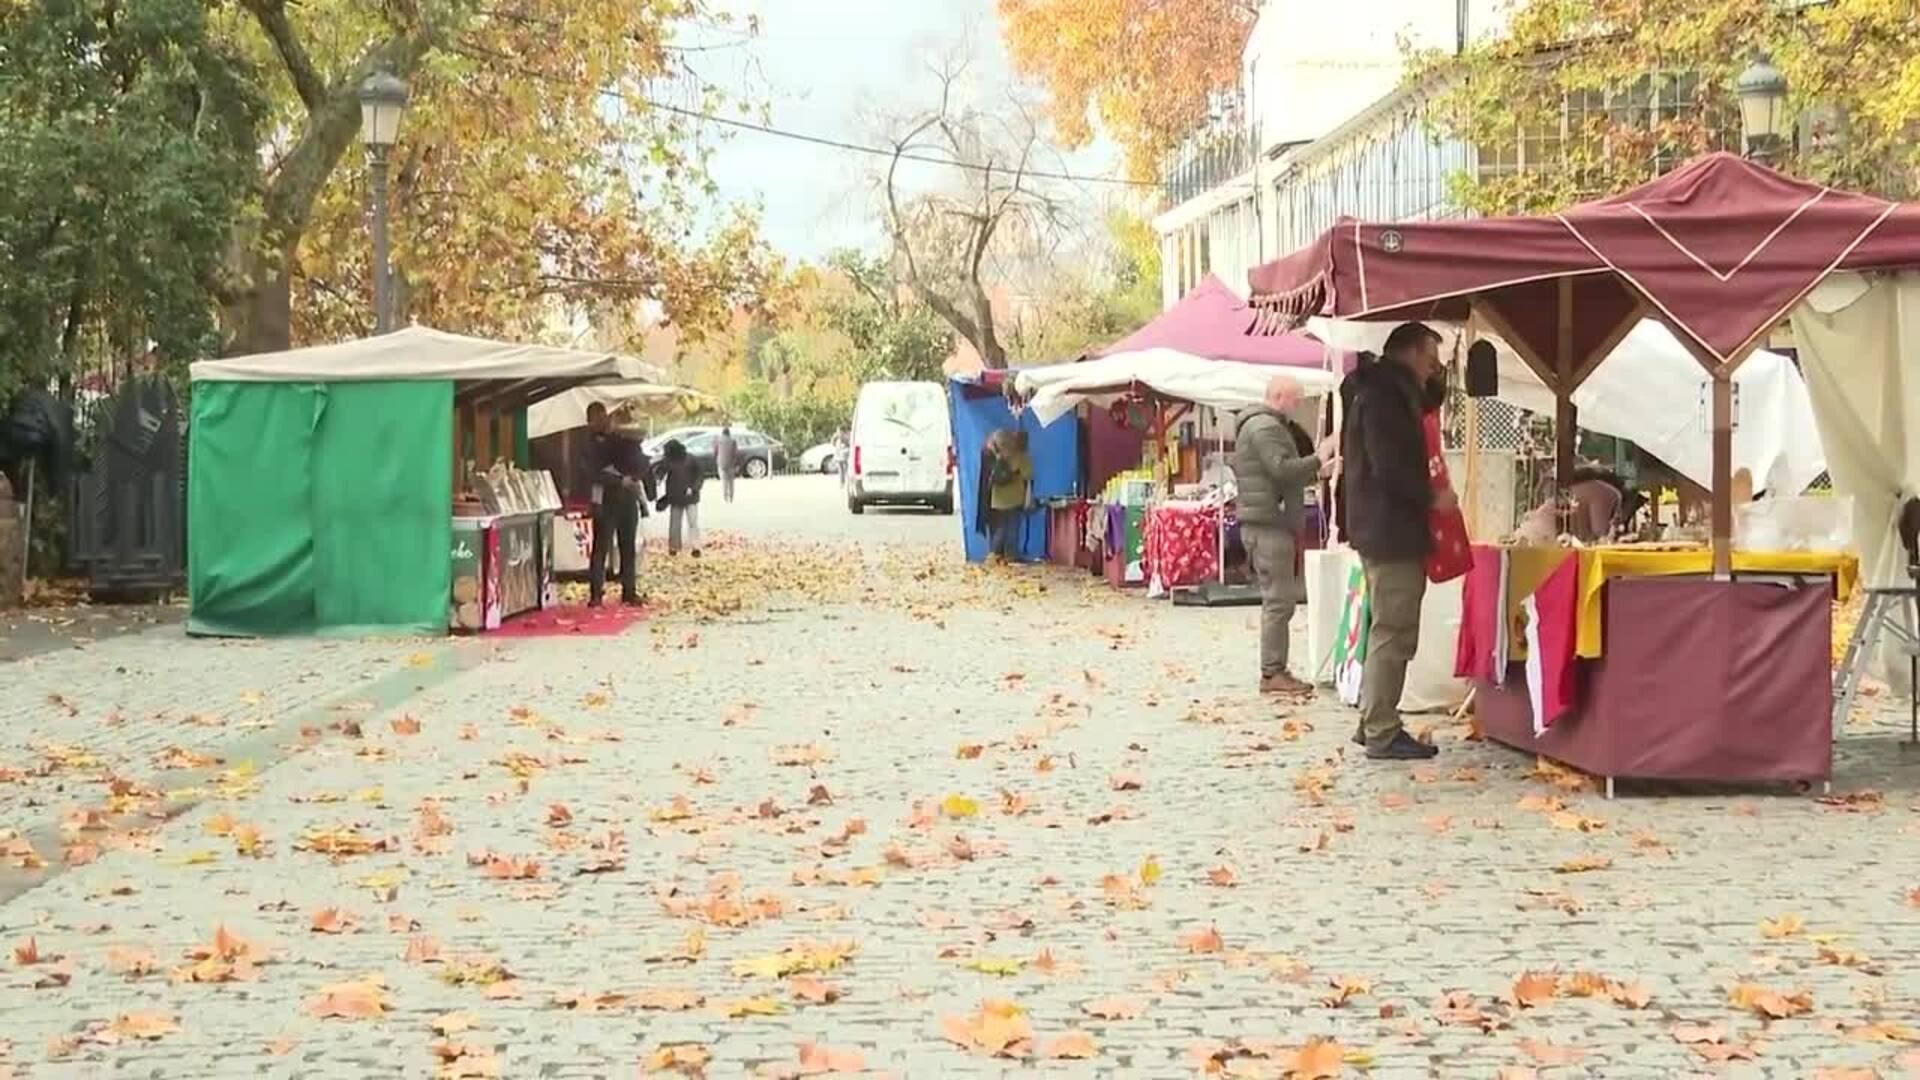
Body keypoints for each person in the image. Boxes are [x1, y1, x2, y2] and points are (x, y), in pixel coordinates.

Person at [1340, 322, 1452, 761]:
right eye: (1429, 357)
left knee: (1385, 625)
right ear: (1409, 354)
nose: (1434, 367)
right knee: (1394, 628)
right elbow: (1391, 466)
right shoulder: (1386, 398)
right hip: (1391, 528)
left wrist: (1440, 374)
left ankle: (1374, 720)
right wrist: (1432, 496)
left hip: (1378, 525)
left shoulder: (1386, 388)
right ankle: (1382, 730)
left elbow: (1428, 402)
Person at [1233, 375, 1339, 698]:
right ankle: (1273, 672)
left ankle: (1275, 669)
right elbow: (1280, 468)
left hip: (1265, 521)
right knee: (1279, 601)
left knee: (1278, 599)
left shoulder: (1259, 425)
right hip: (1269, 524)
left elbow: (1278, 473)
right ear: (1280, 396)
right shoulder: (1266, 427)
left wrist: (1315, 470)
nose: (1298, 405)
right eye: (1296, 399)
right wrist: (1318, 457)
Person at [584, 403, 653, 607]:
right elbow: (591, 472)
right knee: (601, 547)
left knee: (628, 546)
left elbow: (637, 455)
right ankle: (596, 594)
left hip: (627, 497)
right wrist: (618, 480)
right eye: (597, 418)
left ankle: (629, 591)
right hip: (605, 499)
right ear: (590, 420)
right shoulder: (589, 443)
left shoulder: (619, 438)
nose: (602, 421)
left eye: (604, 417)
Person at [985, 429, 1033, 561]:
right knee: (1013, 528)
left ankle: (994, 555)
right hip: (1014, 499)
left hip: (997, 500)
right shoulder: (1021, 457)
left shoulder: (995, 456)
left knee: (999, 529)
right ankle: (1011, 556)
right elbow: (1027, 475)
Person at [655, 439, 704, 557]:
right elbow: (661, 470)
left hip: (687, 495)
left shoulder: (690, 459)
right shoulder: (670, 460)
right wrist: (658, 477)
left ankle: (695, 546)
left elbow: (699, 475)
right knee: (677, 523)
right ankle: (675, 546)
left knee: (691, 522)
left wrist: (693, 487)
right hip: (677, 495)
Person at [715, 425, 739, 504]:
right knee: (731, 482)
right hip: (731, 464)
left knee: (724, 481)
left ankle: (725, 497)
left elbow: (715, 452)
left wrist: (717, 459)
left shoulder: (718, 441)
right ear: (729, 433)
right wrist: (736, 463)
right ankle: (731, 497)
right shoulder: (733, 441)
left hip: (721, 463)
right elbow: (736, 453)